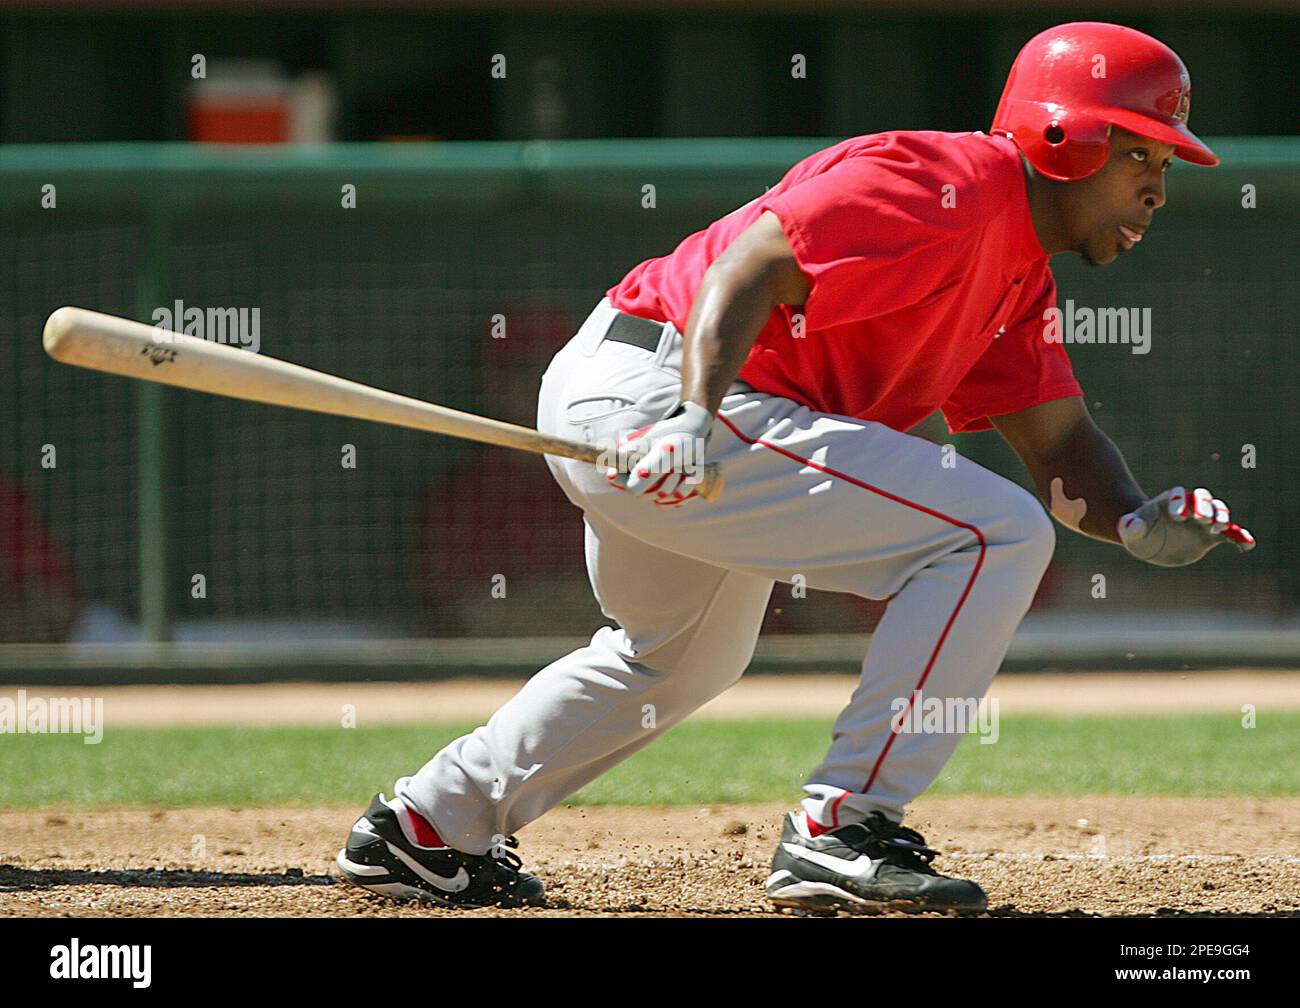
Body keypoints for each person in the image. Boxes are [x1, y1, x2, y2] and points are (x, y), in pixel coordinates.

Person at [336, 22, 1254, 914]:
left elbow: (1058, 446)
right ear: (1067, 136)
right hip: (671, 390)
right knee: (992, 532)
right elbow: (748, 267)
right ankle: (846, 825)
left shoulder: (1018, 274)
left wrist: (1133, 517)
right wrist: (693, 417)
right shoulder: (949, 178)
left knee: (681, 657)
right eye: (1143, 156)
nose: (1157, 191)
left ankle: (428, 824)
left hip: (686, 403)